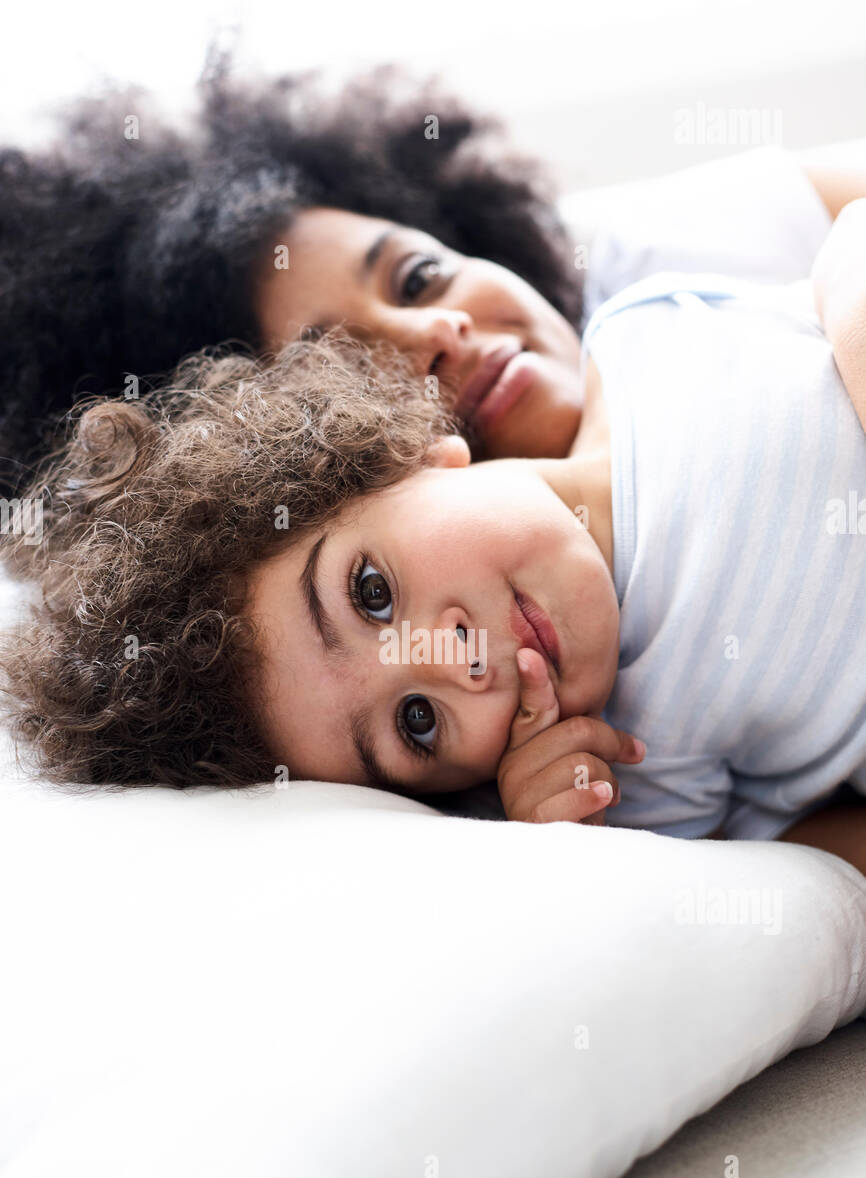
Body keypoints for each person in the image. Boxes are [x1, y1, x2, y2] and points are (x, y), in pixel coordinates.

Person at [3, 219, 866, 874]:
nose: (456, 661)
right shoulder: (640, 763)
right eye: (417, 723)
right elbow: (820, 868)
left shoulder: (642, 343)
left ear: (404, 455)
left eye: (371, 593)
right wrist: (569, 836)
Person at [1, 58, 860, 490]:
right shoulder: (498, 678)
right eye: (349, 371)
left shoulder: (661, 254)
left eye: (416, 277)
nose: (435, 333)